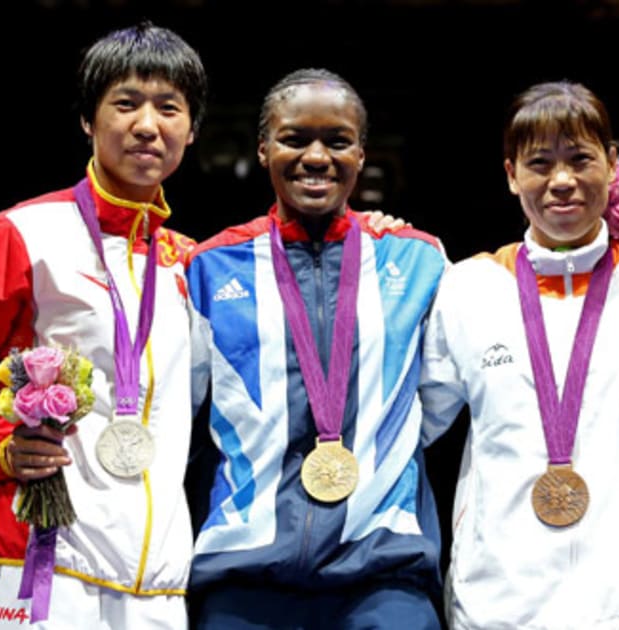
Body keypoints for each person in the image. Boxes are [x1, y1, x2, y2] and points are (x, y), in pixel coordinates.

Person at [0, 22, 207, 628]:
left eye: (168, 108)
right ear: (87, 120)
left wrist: (373, 228)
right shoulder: (23, 234)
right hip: (35, 561)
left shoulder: (190, 264)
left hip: (156, 580)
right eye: (125, 103)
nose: (147, 125)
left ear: (192, 129)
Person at [185, 68, 447, 629]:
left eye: (338, 140)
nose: (317, 157)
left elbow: (440, 400)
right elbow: (179, 412)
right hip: (244, 576)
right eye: (295, 138)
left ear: (361, 153)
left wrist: (380, 443)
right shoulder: (210, 267)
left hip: (383, 573)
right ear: (263, 149)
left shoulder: (417, 259)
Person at [420, 82, 619, 629]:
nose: (561, 180)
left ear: (612, 164)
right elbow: (410, 426)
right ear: (511, 174)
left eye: (580, 159)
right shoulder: (469, 286)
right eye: (540, 163)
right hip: (499, 603)